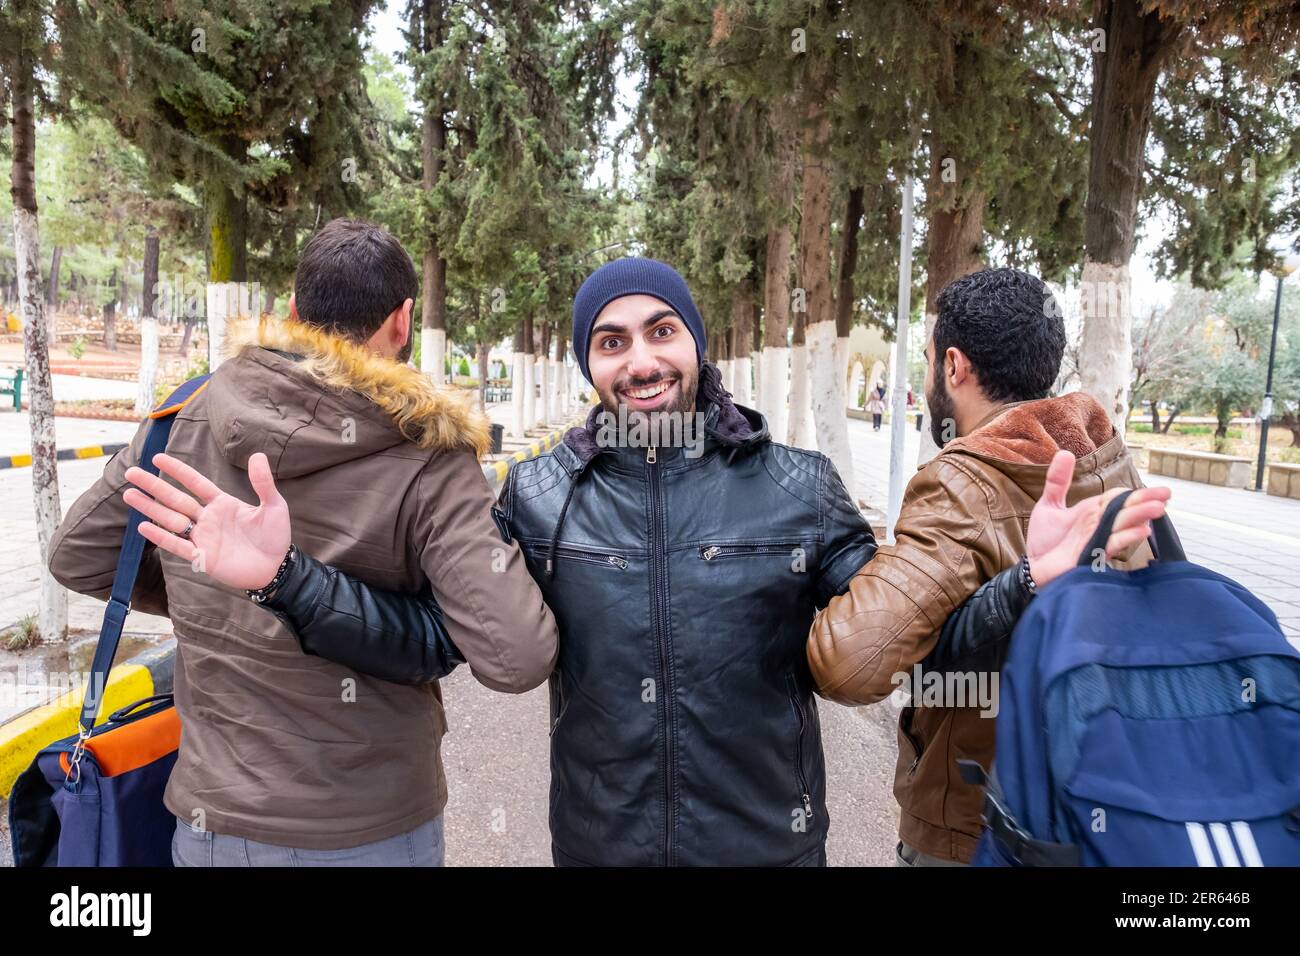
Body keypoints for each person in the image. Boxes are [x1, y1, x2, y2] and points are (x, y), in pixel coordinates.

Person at [128, 259, 1161, 867]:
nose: (640, 358)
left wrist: (1023, 586)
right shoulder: (537, 494)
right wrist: (283, 579)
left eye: (661, 331)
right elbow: (430, 643)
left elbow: (904, 658)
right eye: (611, 340)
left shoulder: (797, 482)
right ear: (588, 362)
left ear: (695, 344)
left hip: (770, 849)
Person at [50, 218, 558, 866]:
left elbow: (77, 554)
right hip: (367, 832)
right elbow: (515, 656)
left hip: (208, 831)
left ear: (293, 311)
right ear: (403, 321)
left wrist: (216, 594)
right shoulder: (429, 455)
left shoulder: (187, 414)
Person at [806, 268, 1170, 867]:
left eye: (927, 361)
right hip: (1103, 801)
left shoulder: (962, 483)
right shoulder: (1107, 459)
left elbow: (849, 663)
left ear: (954, 366)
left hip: (980, 826)